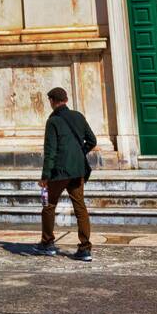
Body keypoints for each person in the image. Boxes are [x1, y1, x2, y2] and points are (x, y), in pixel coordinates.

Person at [34, 86, 97, 262]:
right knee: (80, 207)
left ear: (53, 101)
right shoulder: (78, 116)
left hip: (59, 172)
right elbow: (92, 140)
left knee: (49, 205)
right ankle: (85, 249)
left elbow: (50, 150)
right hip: (78, 171)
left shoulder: (53, 120)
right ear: (66, 100)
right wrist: (78, 153)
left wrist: (45, 176)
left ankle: (47, 243)